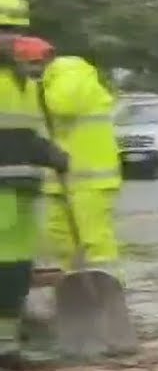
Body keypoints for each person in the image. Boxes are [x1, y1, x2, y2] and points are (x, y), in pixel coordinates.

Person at [0, 0, 68, 368]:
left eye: (18, 31)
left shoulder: (21, 80)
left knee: (13, 275)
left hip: (20, 190)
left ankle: (7, 349)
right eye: (4, 30)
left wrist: (46, 152)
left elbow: (21, 130)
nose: (14, 39)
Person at [36, 48, 123, 280]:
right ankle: (73, 288)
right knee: (60, 240)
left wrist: (38, 87)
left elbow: (63, 106)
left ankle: (106, 290)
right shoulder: (48, 81)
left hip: (90, 178)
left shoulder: (70, 73)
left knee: (93, 241)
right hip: (59, 178)